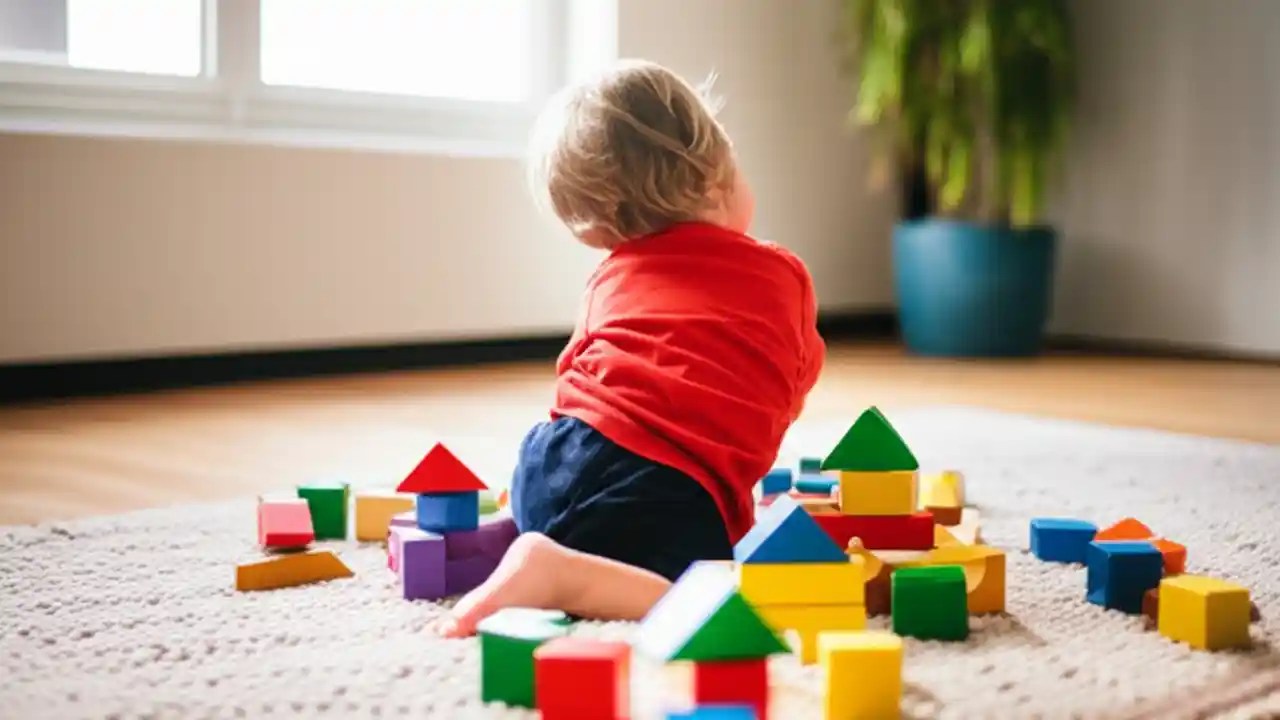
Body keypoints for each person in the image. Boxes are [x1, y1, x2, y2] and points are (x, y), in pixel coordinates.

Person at [437, 60, 825, 637]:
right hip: (665, 493)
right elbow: (792, 384)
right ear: (717, 177)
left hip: (554, 464)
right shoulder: (784, 276)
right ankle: (557, 573)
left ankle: (536, 525)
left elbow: (577, 376)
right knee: (707, 597)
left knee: (566, 468)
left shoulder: (611, 276)